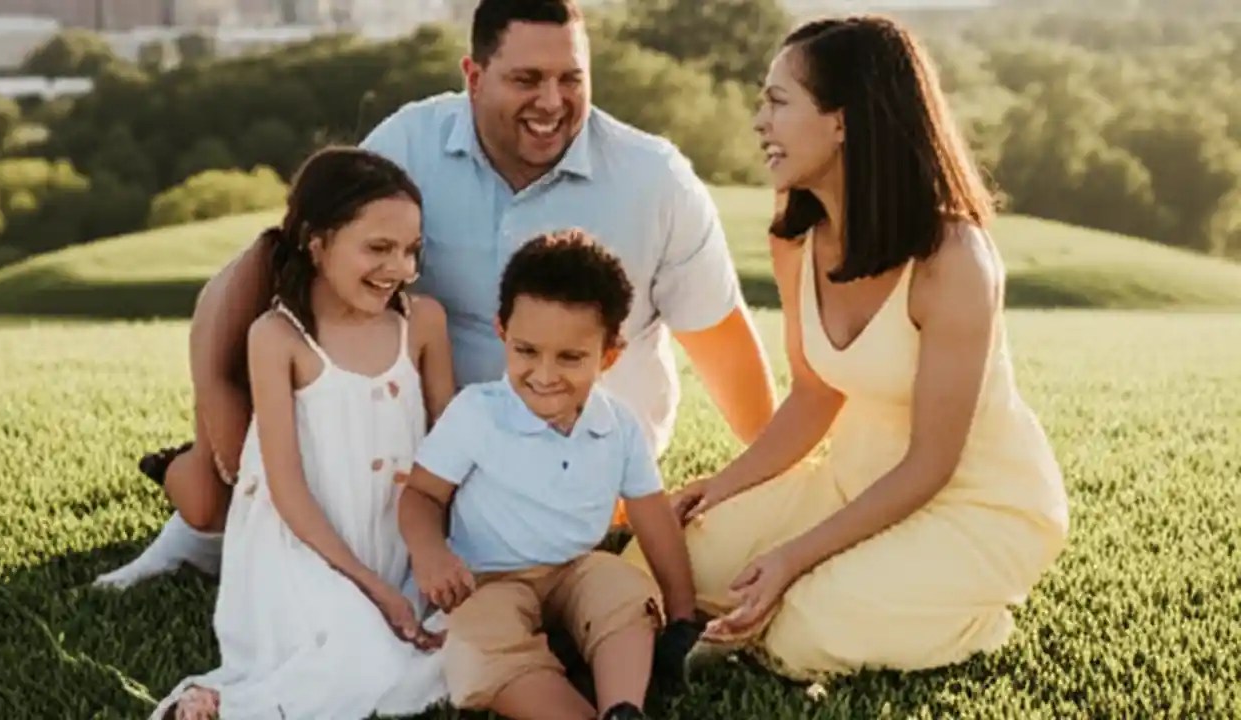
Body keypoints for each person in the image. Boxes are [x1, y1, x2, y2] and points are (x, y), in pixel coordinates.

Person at [92, 0, 776, 591]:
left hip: (573, 463)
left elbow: (727, 353)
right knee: (224, 496)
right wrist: (214, 390)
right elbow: (284, 256)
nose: (552, 101)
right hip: (418, 452)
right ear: (473, 77)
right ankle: (200, 522)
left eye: (572, 78)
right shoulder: (407, 144)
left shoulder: (654, 181)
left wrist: (770, 482)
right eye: (527, 78)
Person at [625, 16, 1070, 684]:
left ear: (843, 121)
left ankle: (976, 611)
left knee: (810, 629)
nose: (759, 122)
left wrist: (794, 557)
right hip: (850, 484)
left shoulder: (954, 260)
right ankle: (765, 608)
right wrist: (717, 489)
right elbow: (813, 397)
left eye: (778, 102)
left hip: (972, 504)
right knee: (654, 560)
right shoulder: (793, 238)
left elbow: (931, 465)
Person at [150, 146, 452, 720]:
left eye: (412, 251)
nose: (401, 269)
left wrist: (429, 555)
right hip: (304, 548)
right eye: (379, 248)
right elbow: (287, 491)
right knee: (362, 662)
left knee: (457, 649)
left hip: (402, 543)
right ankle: (226, 704)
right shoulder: (279, 337)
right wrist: (370, 586)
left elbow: (452, 449)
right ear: (318, 243)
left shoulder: (423, 324)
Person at [399, 230, 699, 720]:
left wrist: (683, 614)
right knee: (478, 644)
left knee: (625, 591)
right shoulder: (477, 412)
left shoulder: (618, 426)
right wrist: (430, 554)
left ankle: (622, 708)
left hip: (574, 569)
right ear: (502, 333)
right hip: (488, 580)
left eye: (571, 357)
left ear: (609, 355)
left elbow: (654, 519)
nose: (544, 374)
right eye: (527, 351)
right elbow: (421, 495)